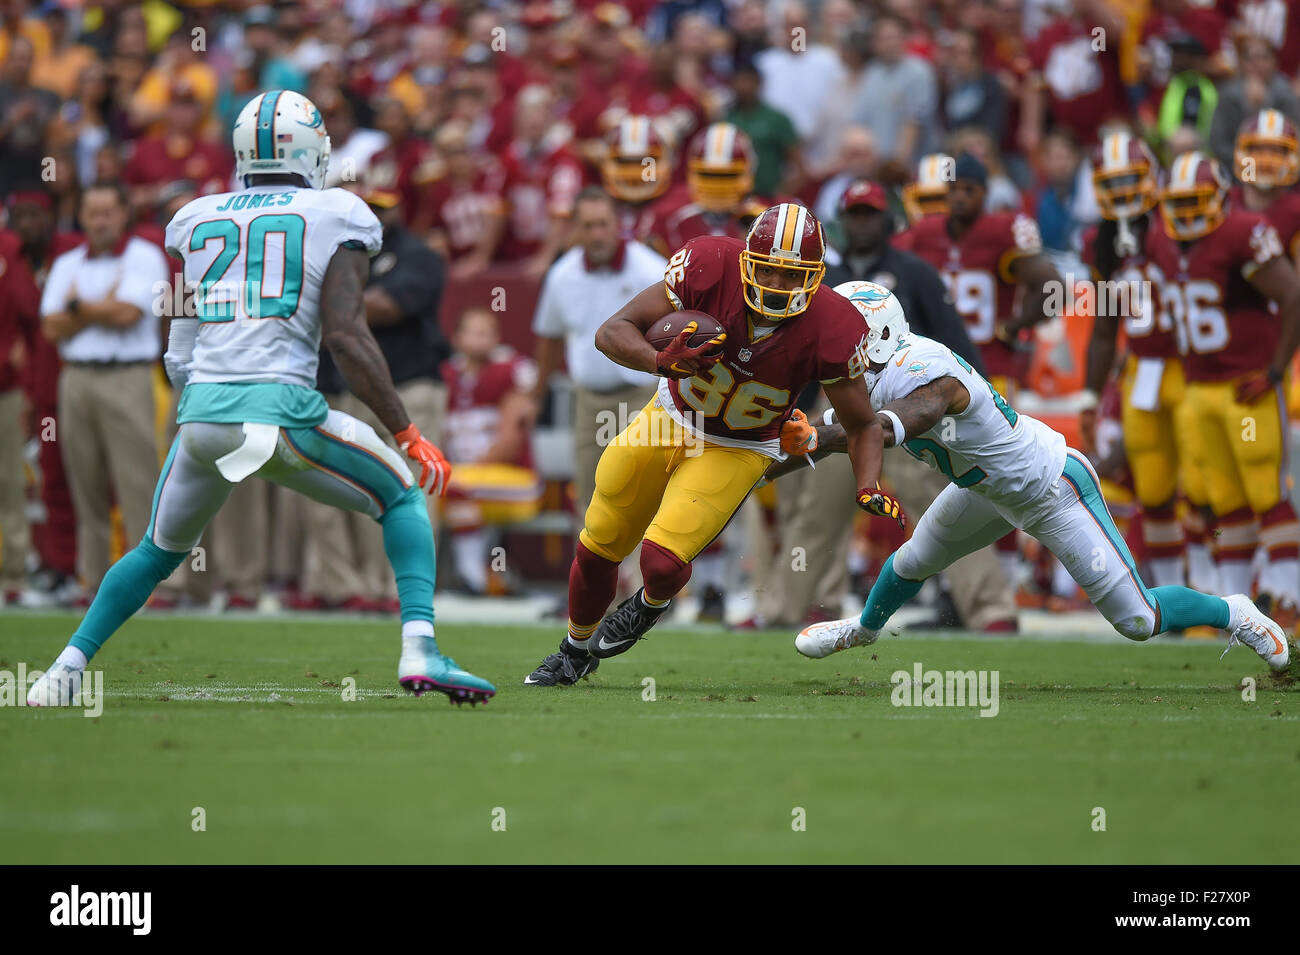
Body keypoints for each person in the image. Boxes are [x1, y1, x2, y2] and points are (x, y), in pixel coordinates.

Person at [27, 91, 492, 707]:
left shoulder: (199, 215)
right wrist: (405, 429)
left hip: (203, 415)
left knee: (156, 551)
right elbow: (348, 336)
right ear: (313, 149)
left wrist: (202, 401)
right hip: (282, 414)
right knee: (402, 494)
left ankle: (62, 672)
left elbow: (179, 344)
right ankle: (420, 649)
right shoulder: (337, 213)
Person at [777, 283, 1292, 673]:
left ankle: (1234, 612)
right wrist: (763, 462)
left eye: (844, 332)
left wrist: (868, 429)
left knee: (1138, 620)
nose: (832, 342)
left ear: (878, 335)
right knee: (913, 559)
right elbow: (842, 430)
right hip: (986, 490)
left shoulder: (920, 366)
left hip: (1051, 488)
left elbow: (921, 410)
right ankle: (864, 631)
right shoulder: (869, 376)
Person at [522, 202, 904, 686]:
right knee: (599, 541)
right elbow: (610, 332)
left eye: (794, 276)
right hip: (671, 416)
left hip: (741, 445)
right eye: (769, 270)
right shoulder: (707, 265)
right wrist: (659, 360)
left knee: (661, 563)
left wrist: (866, 482)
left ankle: (650, 604)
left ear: (816, 276)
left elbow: (863, 422)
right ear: (747, 261)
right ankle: (573, 653)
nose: (779, 286)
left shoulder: (834, 324)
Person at [823, 180, 1016, 632]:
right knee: (818, 504)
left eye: (870, 213)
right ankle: (803, 604)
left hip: (910, 400)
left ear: (886, 219)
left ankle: (989, 607)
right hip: (841, 392)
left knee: (940, 501)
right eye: (855, 214)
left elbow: (954, 339)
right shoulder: (829, 277)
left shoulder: (915, 271)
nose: (862, 222)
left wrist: (980, 392)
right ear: (843, 220)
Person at [1149, 151, 1300, 630]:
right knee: (1225, 501)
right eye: (1179, 202)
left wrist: (1276, 372)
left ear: (1219, 197)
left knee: (1264, 488)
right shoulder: (1160, 240)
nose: (1188, 212)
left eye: (1196, 201)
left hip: (1244, 390)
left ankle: (1289, 598)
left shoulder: (1241, 232)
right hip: (1198, 390)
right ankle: (1242, 613)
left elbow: (1293, 295)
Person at [1082, 131, 1212, 599]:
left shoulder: (1176, 222)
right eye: (1110, 184)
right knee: (1154, 490)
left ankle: (1214, 589)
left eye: (1128, 182)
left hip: (1191, 368)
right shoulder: (1102, 240)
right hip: (1142, 371)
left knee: (1202, 485)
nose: (1120, 196)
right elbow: (1103, 324)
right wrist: (1090, 397)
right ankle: (1178, 596)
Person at [39, 181, 169, 597]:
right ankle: (92, 581)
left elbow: (128, 314)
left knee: (138, 481)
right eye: (91, 212)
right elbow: (50, 326)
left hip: (126, 375)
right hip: (75, 376)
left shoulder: (144, 256)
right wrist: (99, 308)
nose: (99, 221)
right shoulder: (67, 261)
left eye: (107, 212)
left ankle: (151, 584)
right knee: (85, 484)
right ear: (81, 216)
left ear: (124, 214)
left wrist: (77, 307)